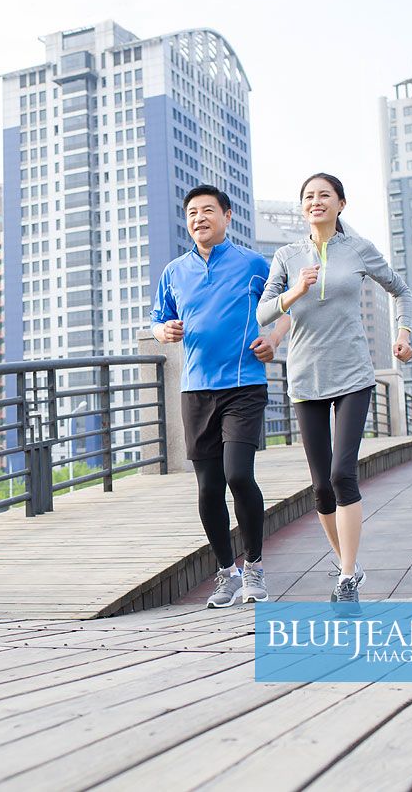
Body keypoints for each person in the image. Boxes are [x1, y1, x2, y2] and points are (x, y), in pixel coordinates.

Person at [256, 173, 412, 614]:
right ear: (301, 207)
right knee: (321, 486)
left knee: (344, 474)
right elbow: (263, 311)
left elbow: (401, 290)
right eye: (308, 196)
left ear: (341, 203)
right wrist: (295, 290)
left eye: (324, 195)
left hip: (353, 377)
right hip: (306, 381)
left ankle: (345, 578)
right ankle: (349, 563)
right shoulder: (287, 256)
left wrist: (403, 333)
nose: (316, 201)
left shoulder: (358, 249)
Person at [152, 185, 290, 608]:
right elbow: (160, 320)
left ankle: (255, 569)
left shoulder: (252, 263)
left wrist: (273, 341)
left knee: (237, 474)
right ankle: (226, 573)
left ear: (227, 216)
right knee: (208, 488)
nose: (199, 218)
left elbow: (285, 307)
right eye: (192, 213)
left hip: (244, 385)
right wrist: (163, 332)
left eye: (208, 210)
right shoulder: (174, 272)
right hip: (195, 389)